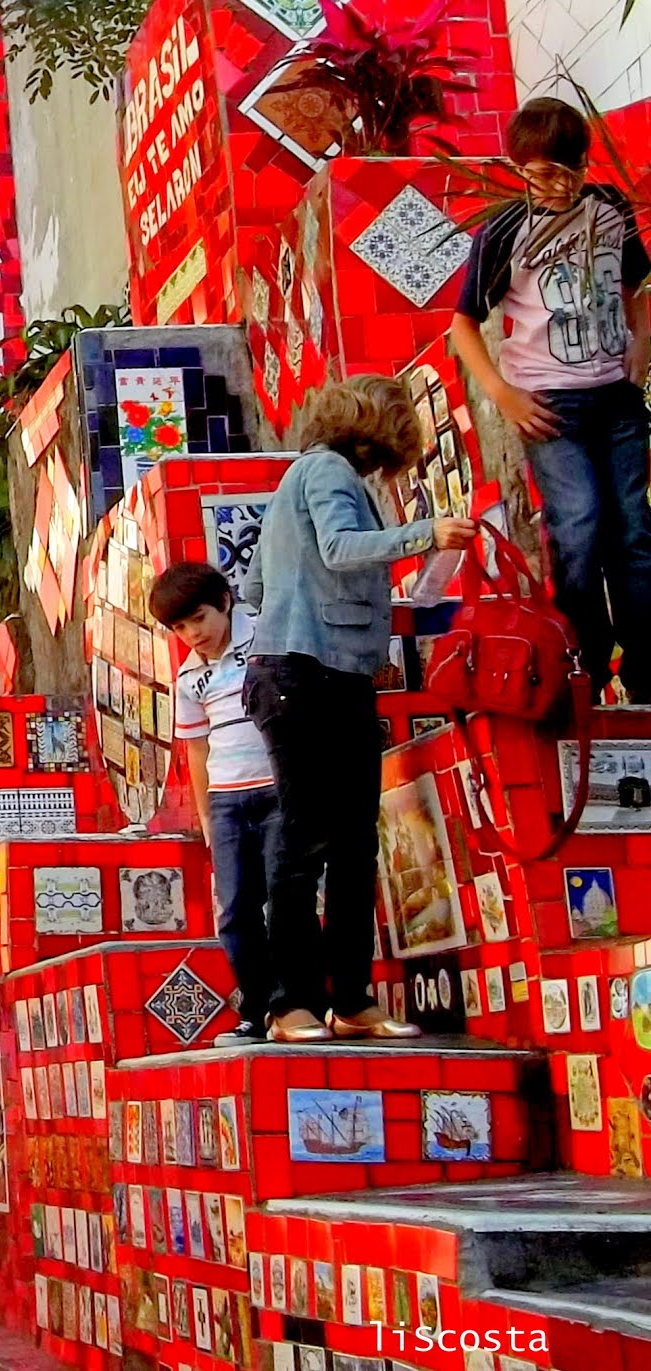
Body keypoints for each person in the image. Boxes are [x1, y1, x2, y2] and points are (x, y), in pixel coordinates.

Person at [244, 378, 477, 1043]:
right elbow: (342, 548)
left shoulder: (304, 477)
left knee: (350, 841)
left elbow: (258, 584)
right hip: (306, 674)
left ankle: (348, 997)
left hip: (314, 671)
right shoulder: (326, 471)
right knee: (305, 842)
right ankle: (293, 1002)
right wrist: (426, 533)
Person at [449, 96, 651, 699]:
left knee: (634, 530)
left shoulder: (611, 209)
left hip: (614, 395)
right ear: (519, 169)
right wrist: (503, 394)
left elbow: (638, 285)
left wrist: (640, 347)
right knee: (580, 524)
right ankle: (584, 662)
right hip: (549, 405)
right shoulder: (507, 227)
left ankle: (643, 667)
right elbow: (462, 324)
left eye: (570, 171)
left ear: (587, 165)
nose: (559, 186)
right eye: (543, 174)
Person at [151, 562, 277, 1046]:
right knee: (235, 910)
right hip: (226, 800)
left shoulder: (265, 635)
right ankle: (255, 1008)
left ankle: (296, 1004)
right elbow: (197, 750)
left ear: (225, 600)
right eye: (180, 628)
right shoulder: (186, 678)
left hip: (278, 789)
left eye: (197, 619)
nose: (192, 634)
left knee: (287, 901)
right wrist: (205, 814)